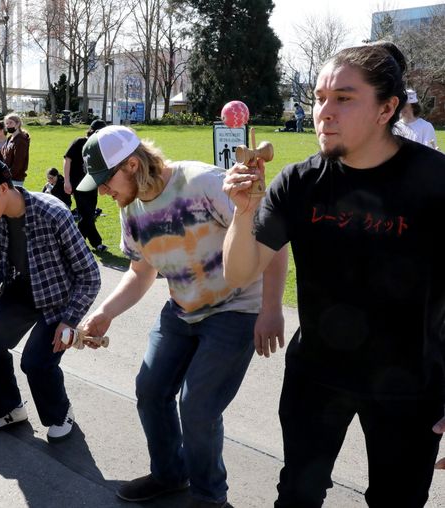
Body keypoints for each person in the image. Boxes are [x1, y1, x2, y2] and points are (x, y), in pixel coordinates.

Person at [222, 42, 445, 508]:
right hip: (317, 376)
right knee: (297, 494)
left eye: (344, 98)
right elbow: (239, 271)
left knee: (398, 500)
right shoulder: (298, 182)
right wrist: (243, 213)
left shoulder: (434, 180)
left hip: (410, 383)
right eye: (320, 98)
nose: (324, 112)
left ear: (386, 108)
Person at [78, 126, 287, 507]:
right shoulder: (132, 210)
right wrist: (105, 313)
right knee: (151, 390)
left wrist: (271, 308)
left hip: (236, 308)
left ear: (132, 165)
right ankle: (170, 474)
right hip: (182, 308)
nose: (104, 192)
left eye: (106, 181)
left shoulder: (203, 182)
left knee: (198, 407)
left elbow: (271, 238)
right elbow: (141, 272)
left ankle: (209, 496)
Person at [0, 151, 101, 441]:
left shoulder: (52, 213)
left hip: (58, 297)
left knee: (36, 362)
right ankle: (9, 409)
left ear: (3, 187)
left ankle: (60, 413)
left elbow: (90, 275)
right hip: (20, 291)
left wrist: (70, 320)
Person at [63, 119, 108, 252]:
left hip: (92, 183)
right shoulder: (79, 142)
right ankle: (88, 243)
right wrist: (66, 181)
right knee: (86, 214)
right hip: (78, 184)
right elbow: (67, 160)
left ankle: (83, 243)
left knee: (88, 215)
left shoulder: (99, 147)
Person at [0, 114, 30, 187]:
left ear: (18, 124)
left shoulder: (21, 140)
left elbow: (18, 163)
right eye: (6, 123)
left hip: (15, 179)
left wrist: (6, 176)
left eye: (11, 123)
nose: (8, 125)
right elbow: (3, 158)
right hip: (7, 178)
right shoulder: (10, 138)